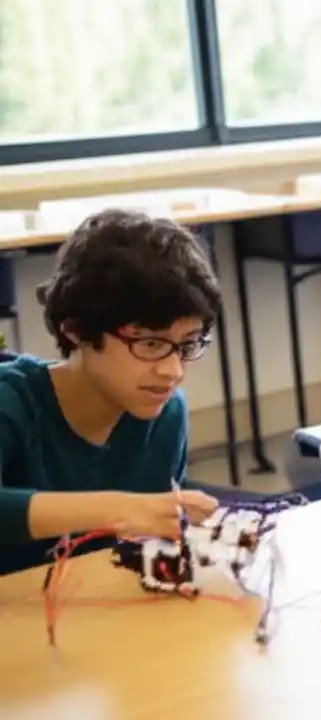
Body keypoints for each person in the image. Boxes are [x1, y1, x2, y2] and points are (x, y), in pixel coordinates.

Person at [0, 210, 222, 575]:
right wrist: (122, 509)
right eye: (149, 343)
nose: (173, 370)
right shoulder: (12, 403)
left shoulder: (165, 414)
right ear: (77, 330)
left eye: (188, 344)